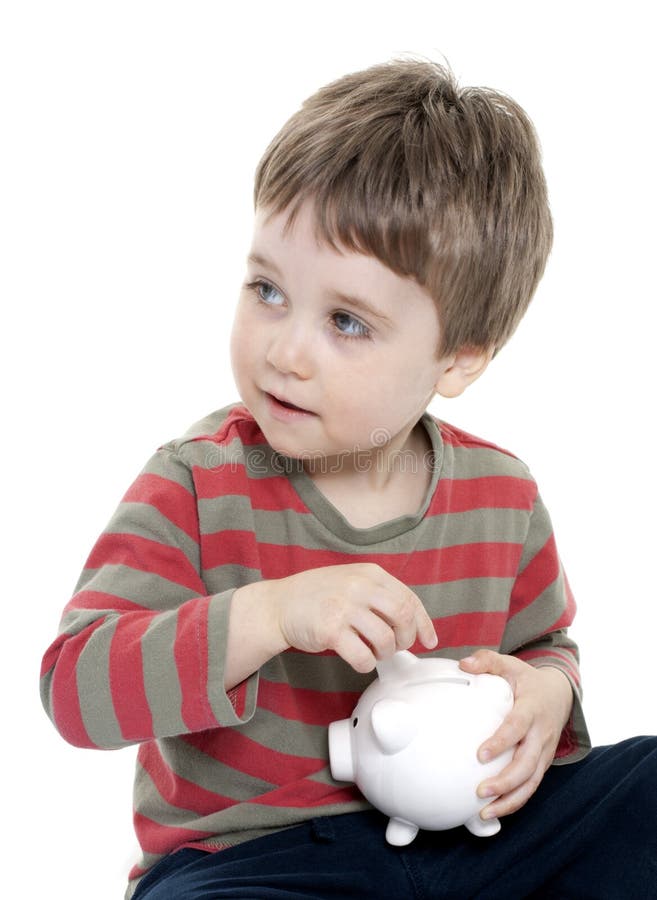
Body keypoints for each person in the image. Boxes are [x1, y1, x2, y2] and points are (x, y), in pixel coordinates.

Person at [40, 58, 656, 899]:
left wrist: (547, 696)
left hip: (475, 845)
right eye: (266, 289)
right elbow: (75, 688)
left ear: (458, 357)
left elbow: (545, 646)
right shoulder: (195, 483)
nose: (285, 351)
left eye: (345, 321)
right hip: (259, 860)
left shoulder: (501, 498)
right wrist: (269, 615)